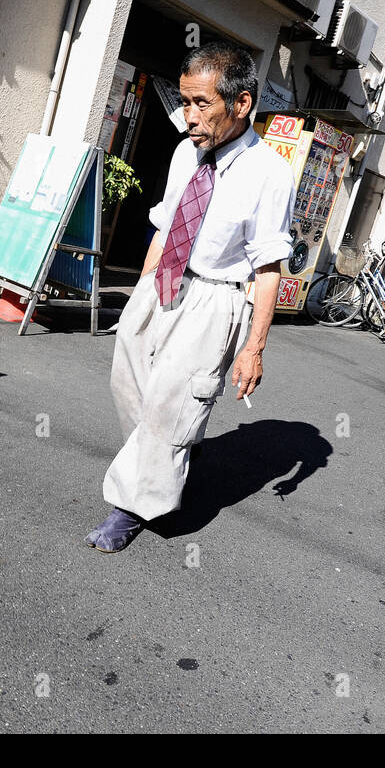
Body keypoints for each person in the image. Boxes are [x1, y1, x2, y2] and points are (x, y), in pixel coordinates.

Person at [83, 42, 294, 553]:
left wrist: (254, 347)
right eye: (185, 102)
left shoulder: (270, 173)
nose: (188, 116)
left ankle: (132, 507)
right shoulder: (184, 154)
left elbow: (268, 269)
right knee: (129, 383)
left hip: (214, 300)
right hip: (162, 285)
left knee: (169, 403)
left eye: (202, 104)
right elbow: (164, 227)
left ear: (240, 104)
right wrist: (140, 296)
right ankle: (177, 445)